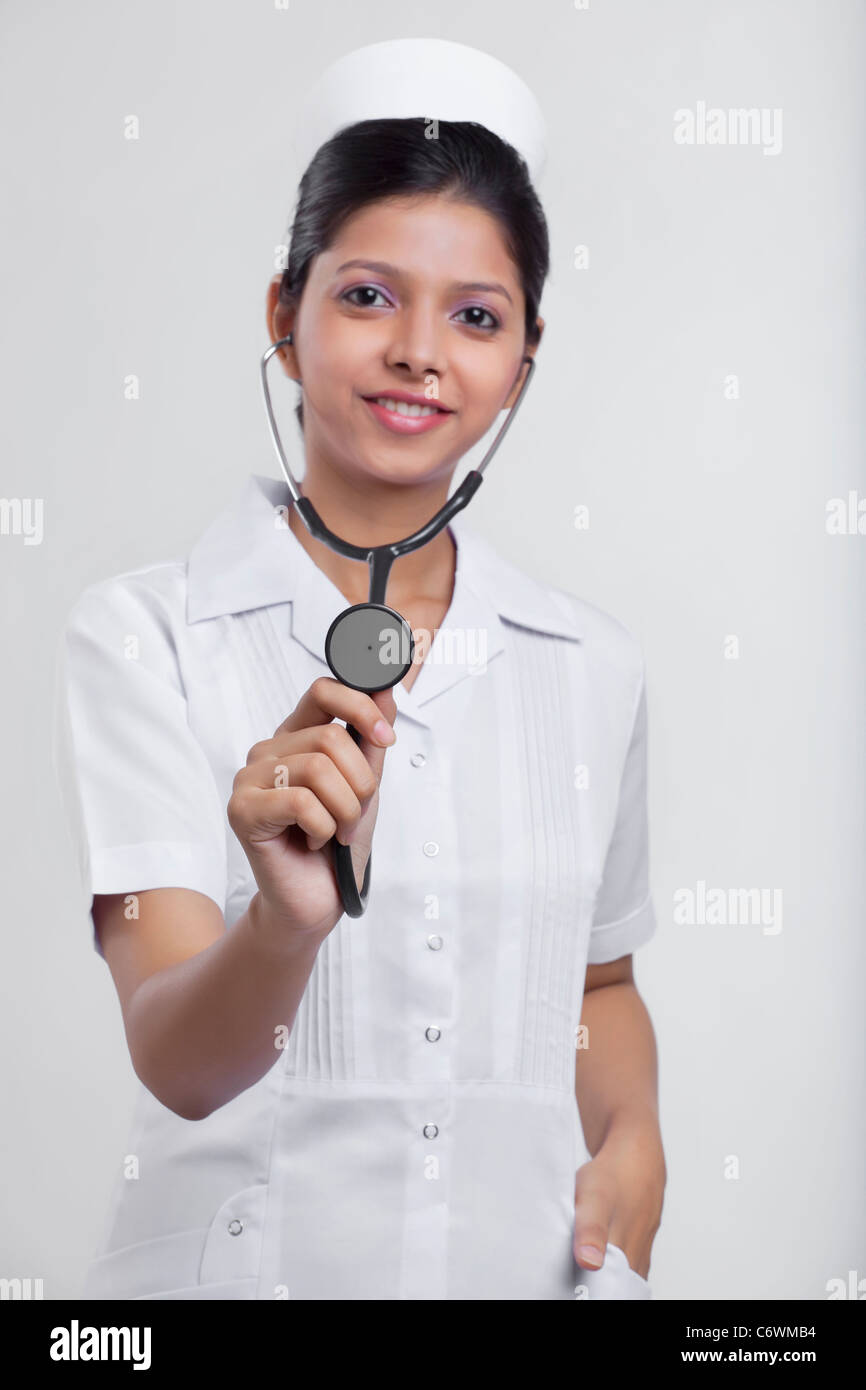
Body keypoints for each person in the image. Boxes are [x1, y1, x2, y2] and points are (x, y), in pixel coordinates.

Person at [52, 39, 665, 1301]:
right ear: (285, 318)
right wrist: (284, 922)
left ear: (523, 361)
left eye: (476, 316)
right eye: (368, 296)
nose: (420, 352)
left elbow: (598, 984)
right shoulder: (142, 636)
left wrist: (635, 1139)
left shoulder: (592, 666)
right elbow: (176, 1054)